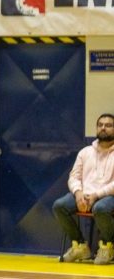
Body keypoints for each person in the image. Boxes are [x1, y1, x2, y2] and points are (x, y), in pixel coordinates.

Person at [54, 113, 114, 264]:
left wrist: (96, 195)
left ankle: (108, 245)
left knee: (100, 208)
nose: (103, 128)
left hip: (108, 197)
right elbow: (74, 176)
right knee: (60, 206)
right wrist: (78, 193)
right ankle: (80, 245)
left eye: (108, 125)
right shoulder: (85, 152)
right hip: (84, 195)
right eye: (100, 125)